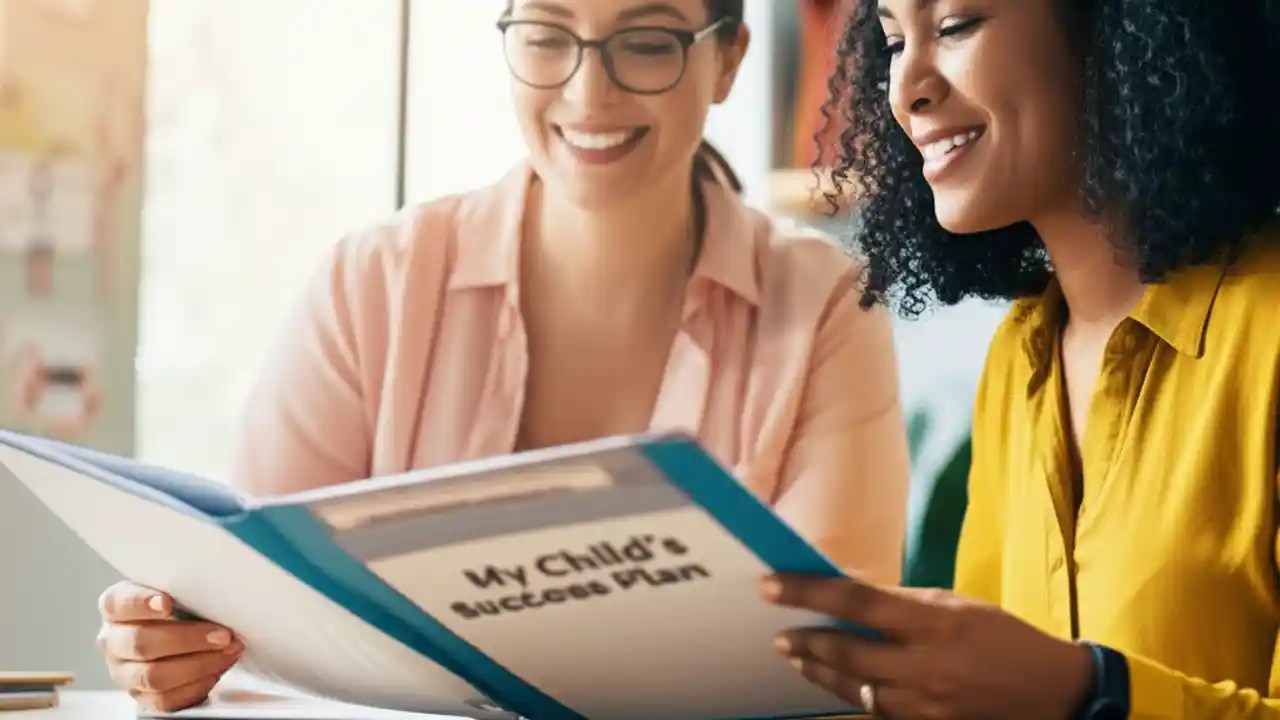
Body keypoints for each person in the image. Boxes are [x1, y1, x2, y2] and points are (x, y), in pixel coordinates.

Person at [94, 0, 911, 713]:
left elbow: (826, 669)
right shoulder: (373, 282)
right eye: (549, 35)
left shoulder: (825, 309)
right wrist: (181, 649)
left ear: (727, 57)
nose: (590, 91)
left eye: (650, 42)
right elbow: (261, 621)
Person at [760, 0, 1280, 717]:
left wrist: (1088, 692)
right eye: (890, 41)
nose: (906, 85)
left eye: (954, 27)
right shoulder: (1022, 353)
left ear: (1110, 30)